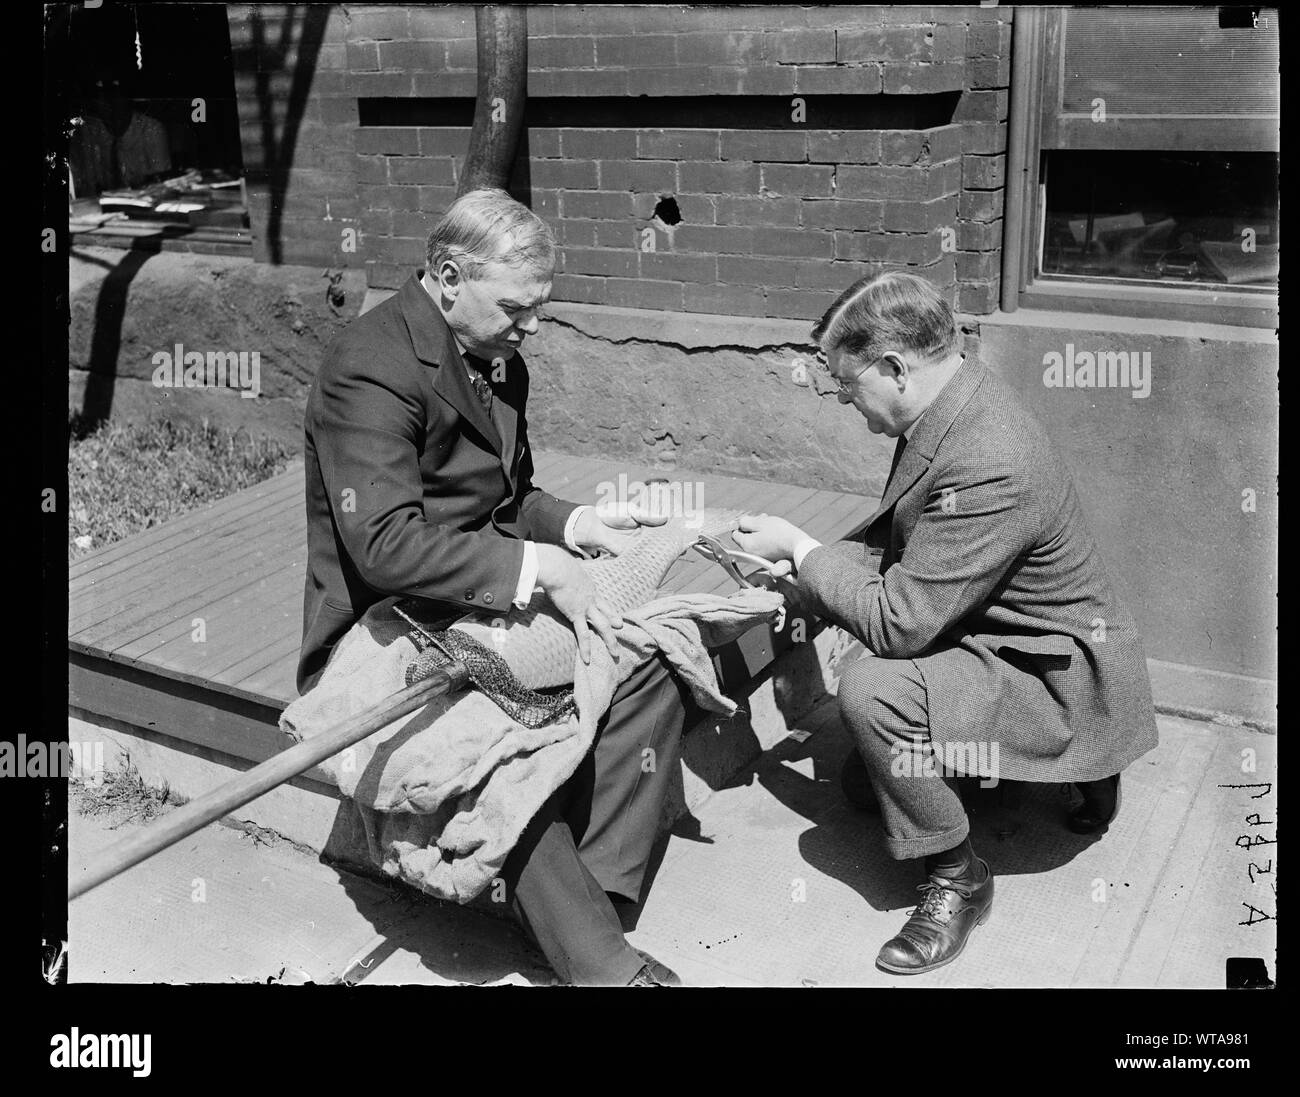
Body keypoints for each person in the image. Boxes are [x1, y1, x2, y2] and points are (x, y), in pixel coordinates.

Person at [298, 188, 689, 986]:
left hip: (476, 600)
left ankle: (589, 900)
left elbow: (508, 502)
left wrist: (579, 525)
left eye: (540, 307)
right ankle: (600, 963)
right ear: (448, 278)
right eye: (517, 307)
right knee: (502, 738)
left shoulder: (498, 356)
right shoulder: (368, 365)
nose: (532, 326)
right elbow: (383, 545)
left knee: (648, 659)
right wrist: (538, 569)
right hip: (385, 625)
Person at [733, 271, 1159, 976]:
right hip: (1002, 632)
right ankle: (1037, 773)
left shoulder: (990, 457)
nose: (845, 401)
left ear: (896, 367)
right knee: (866, 786)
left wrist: (803, 551)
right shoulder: (953, 401)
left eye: (847, 385)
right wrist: (802, 571)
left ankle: (960, 876)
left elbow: (899, 625)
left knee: (871, 690)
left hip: (1054, 677)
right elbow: (909, 549)